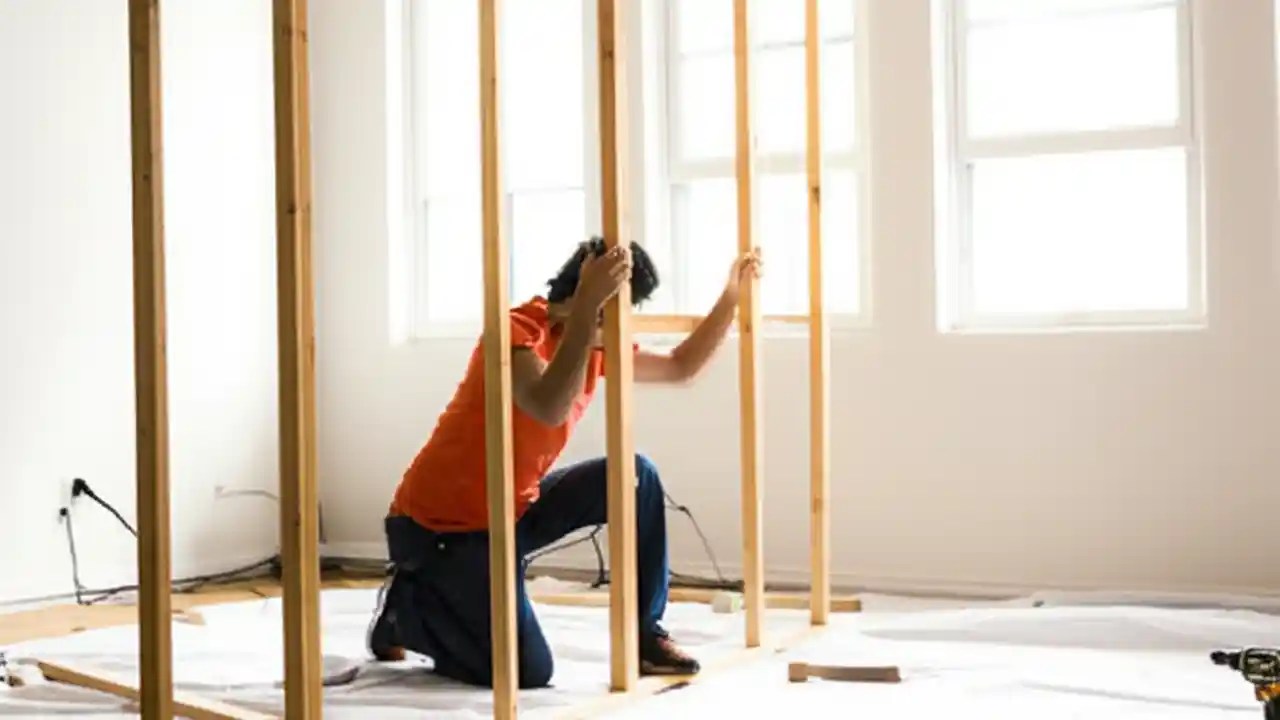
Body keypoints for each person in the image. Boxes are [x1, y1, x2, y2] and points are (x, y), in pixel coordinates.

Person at [367, 237, 763, 689]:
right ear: (586, 296)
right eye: (610, 311)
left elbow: (679, 366)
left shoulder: (593, 343)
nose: (616, 327)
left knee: (635, 476)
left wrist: (731, 298)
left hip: (509, 513)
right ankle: (406, 614)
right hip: (441, 529)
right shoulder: (516, 330)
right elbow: (548, 403)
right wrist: (585, 312)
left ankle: (645, 636)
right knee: (528, 672)